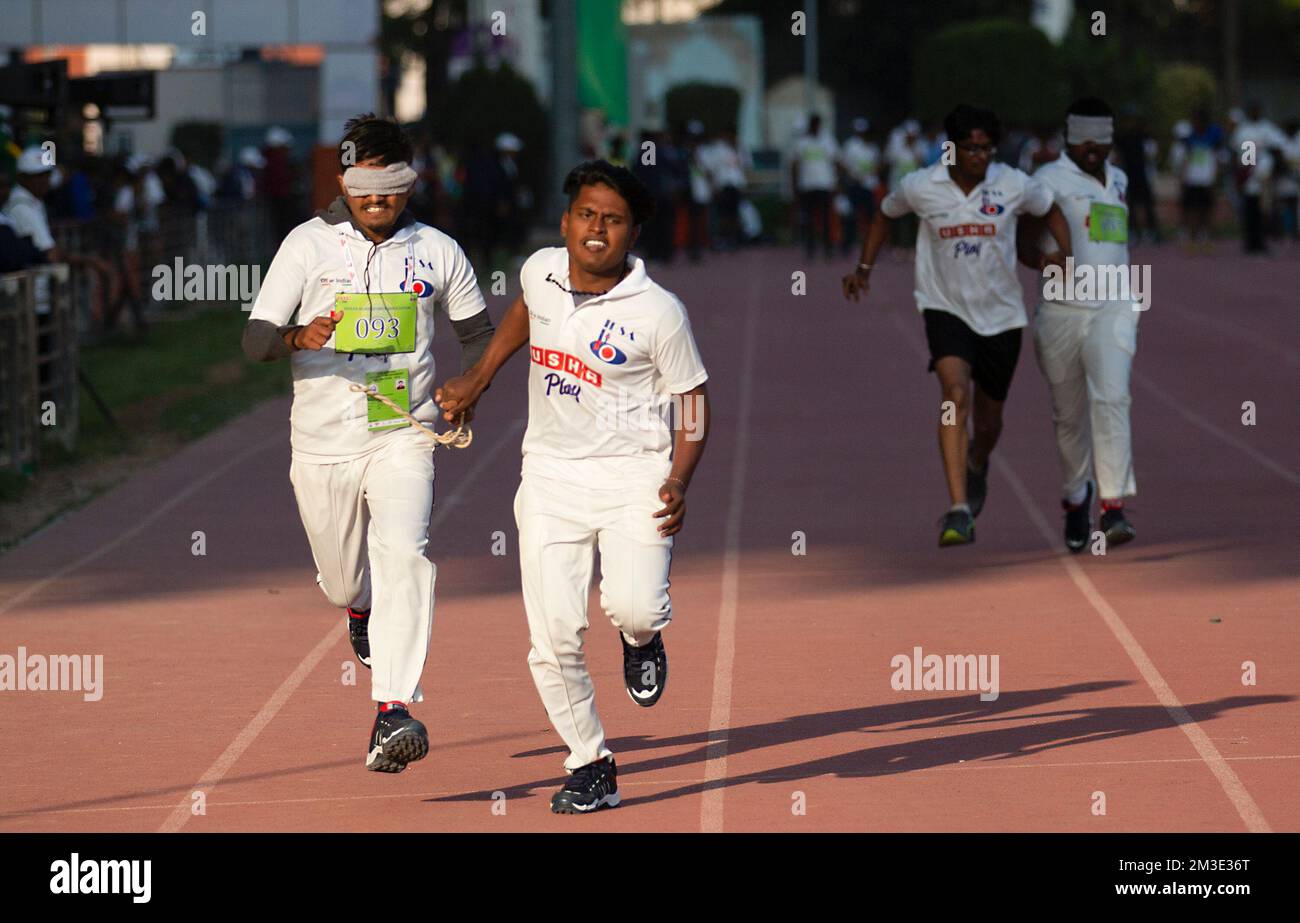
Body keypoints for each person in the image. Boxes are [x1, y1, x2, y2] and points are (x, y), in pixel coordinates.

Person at [434, 161, 711, 813]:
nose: (596, 229)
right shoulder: (540, 270)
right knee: (553, 634)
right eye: (586, 214)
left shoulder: (658, 313)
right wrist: (479, 377)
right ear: (566, 221)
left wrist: (678, 476)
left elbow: (692, 399)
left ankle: (641, 639)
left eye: (612, 220)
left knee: (636, 607)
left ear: (632, 233)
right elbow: (527, 310)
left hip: (635, 475)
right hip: (551, 477)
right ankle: (590, 760)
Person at [240, 114, 495, 773]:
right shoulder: (306, 245)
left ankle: (392, 710)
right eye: (364, 185)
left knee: (406, 554)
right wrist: (302, 335)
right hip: (322, 442)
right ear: (344, 183)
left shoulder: (437, 250)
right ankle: (359, 605)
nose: (378, 198)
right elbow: (254, 340)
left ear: (409, 183)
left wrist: (468, 382)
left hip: (401, 433)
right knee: (344, 579)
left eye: (391, 185)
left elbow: (477, 334)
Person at [842, 104, 1071, 546]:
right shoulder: (921, 186)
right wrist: (864, 268)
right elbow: (885, 216)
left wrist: (1064, 253)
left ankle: (978, 461)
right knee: (954, 393)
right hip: (944, 308)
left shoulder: (1013, 183)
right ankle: (959, 508)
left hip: (1003, 316)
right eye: (970, 148)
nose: (979, 156)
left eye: (986, 148)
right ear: (952, 148)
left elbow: (1051, 208)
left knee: (987, 424)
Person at [1018, 98, 1140, 552]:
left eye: (1101, 139)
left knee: (1112, 398)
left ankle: (1113, 507)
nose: (1093, 147)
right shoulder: (1046, 181)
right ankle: (1075, 500)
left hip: (1115, 304)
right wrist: (1046, 260)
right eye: (1084, 139)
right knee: (1068, 415)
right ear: (1070, 138)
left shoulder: (1120, 179)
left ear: (1109, 139)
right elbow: (1024, 247)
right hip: (1062, 310)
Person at [1169, 112, 1224, 252]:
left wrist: (1215, 179)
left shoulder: (1213, 139)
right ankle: (1192, 241)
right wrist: (1183, 179)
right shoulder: (1189, 139)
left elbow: (1217, 160)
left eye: (1199, 121)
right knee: (1192, 211)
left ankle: (1206, 240)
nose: (1196, 124)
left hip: (1207, 180)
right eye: (1194, 121)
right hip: (1192, 180)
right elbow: (1184, 161)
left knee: (1207, 211)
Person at [791, 114, 839, 259]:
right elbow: (795, 165)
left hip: (824, 184)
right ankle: (810, 248)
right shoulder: (801, 142)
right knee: (809, 219)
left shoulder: (827, 140)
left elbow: (834, 161)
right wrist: (794, 185)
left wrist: (836, 183)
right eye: (813, 124)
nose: (816, 127)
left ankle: (828, 248)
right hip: (807, 185)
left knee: (826, 218)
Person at [839, 117, 881, 256]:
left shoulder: (873, 147)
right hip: (854, 185)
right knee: (851, 217)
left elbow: (877, 165)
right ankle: (847, 246)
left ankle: (871, 245)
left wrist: (871, 173)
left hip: (868, 186)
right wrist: (852, 175)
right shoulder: (850, 145)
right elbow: (843, 164)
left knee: (871, 217)